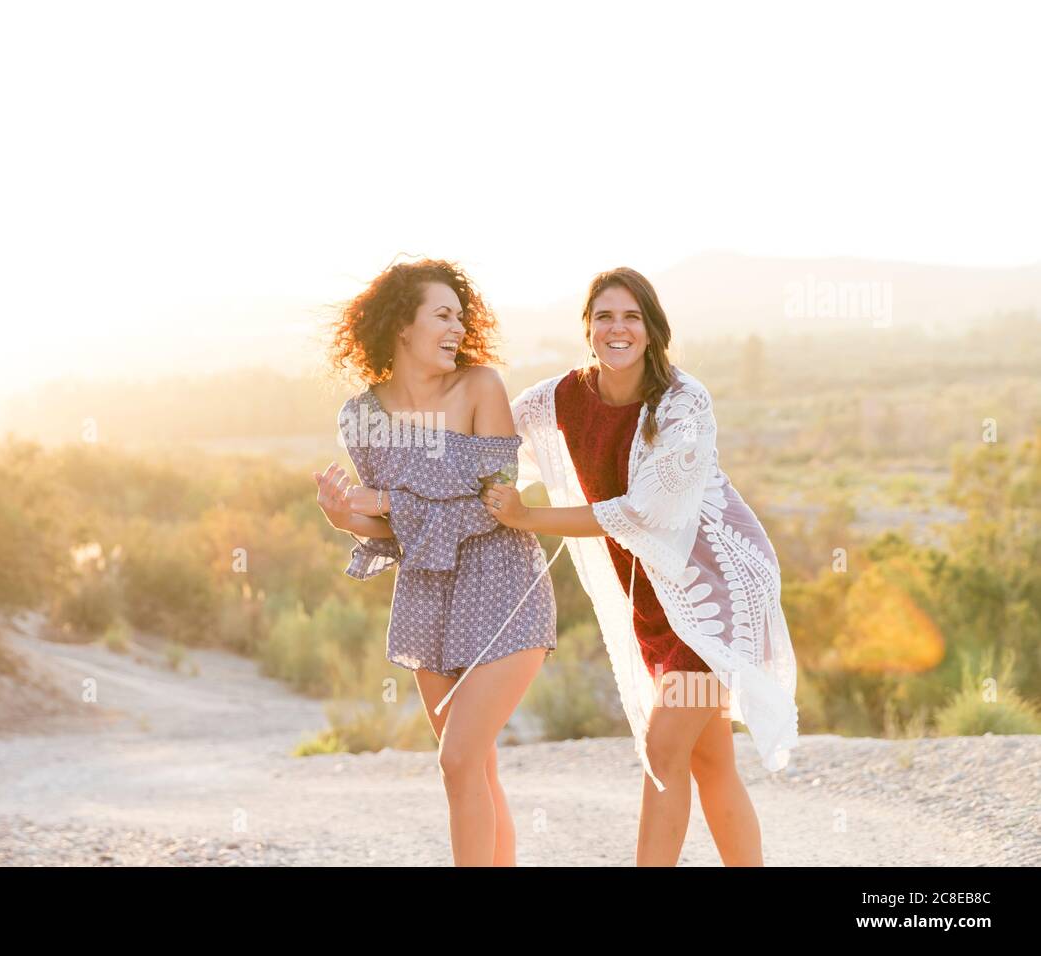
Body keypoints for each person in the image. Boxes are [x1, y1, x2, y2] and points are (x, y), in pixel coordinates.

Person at [483, 267, 798, 866]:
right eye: (605, 316)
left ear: (652, 331)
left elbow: (646, 513)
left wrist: (527, 517)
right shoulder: (560, 399)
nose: (618, 328)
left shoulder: (682, 401)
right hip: (653, 603)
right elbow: (494, 441)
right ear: (588, 329)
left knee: (662, 750)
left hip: (716, 594)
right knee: (707, 760)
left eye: (632, 317)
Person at [313, 257, 557, 866]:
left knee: (457, 758)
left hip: (506, 584)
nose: (457, 327)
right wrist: (350, 518)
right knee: (473, 768)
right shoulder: (361, 418)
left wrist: (390, 500)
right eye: (442, 315)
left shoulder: (481, 388)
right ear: (402, 325)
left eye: (460, 316)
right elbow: (399, 531)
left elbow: (498, 508)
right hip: (428, 598)